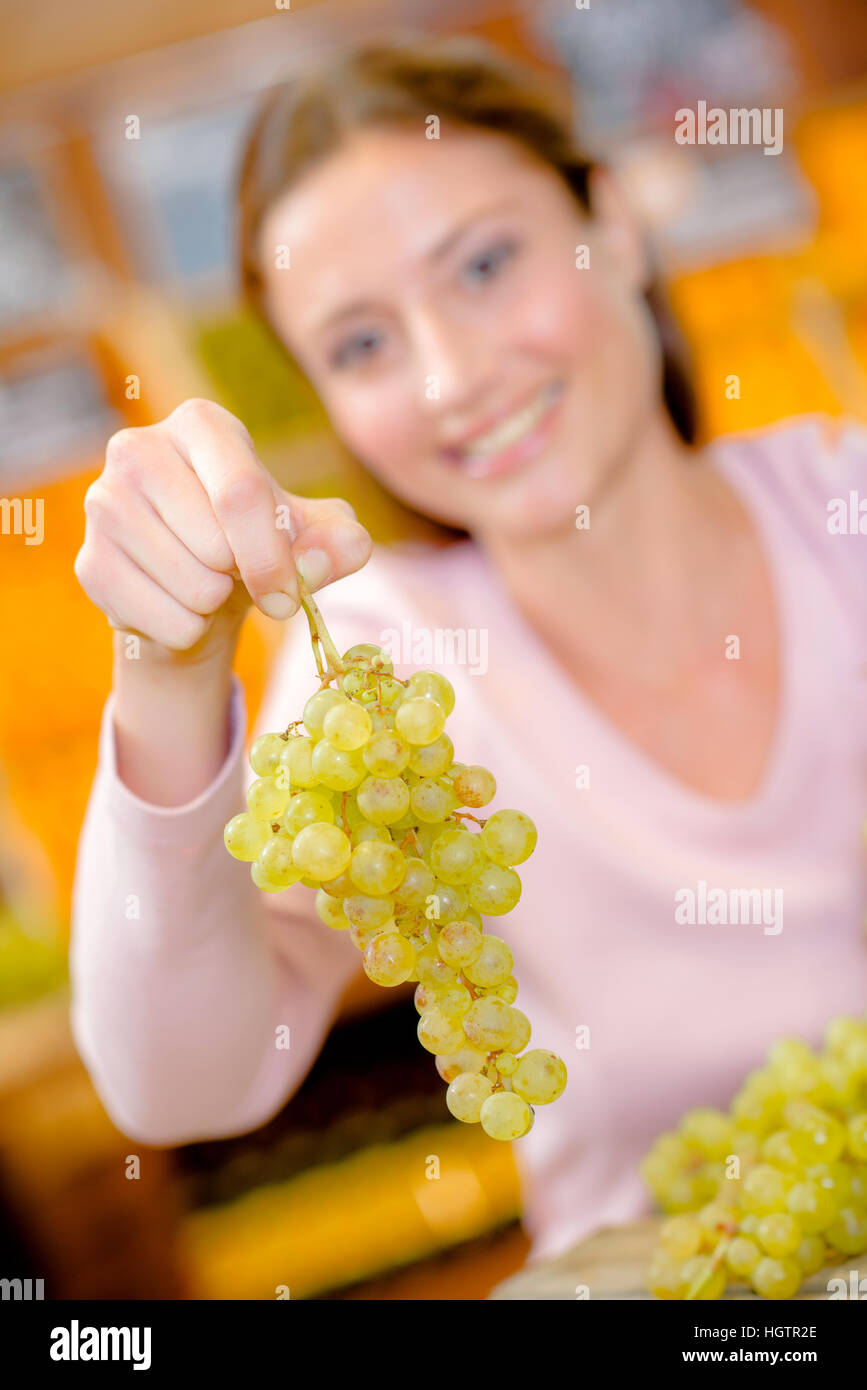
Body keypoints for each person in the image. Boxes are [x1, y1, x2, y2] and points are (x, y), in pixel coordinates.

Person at [70, 36, 867, 1265]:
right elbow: (182, 1088)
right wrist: (163, 676)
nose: (452, 376)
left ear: (614, 223)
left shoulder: (846, 512)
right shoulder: (384, 674)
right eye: (362, 345)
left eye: (485, 265)